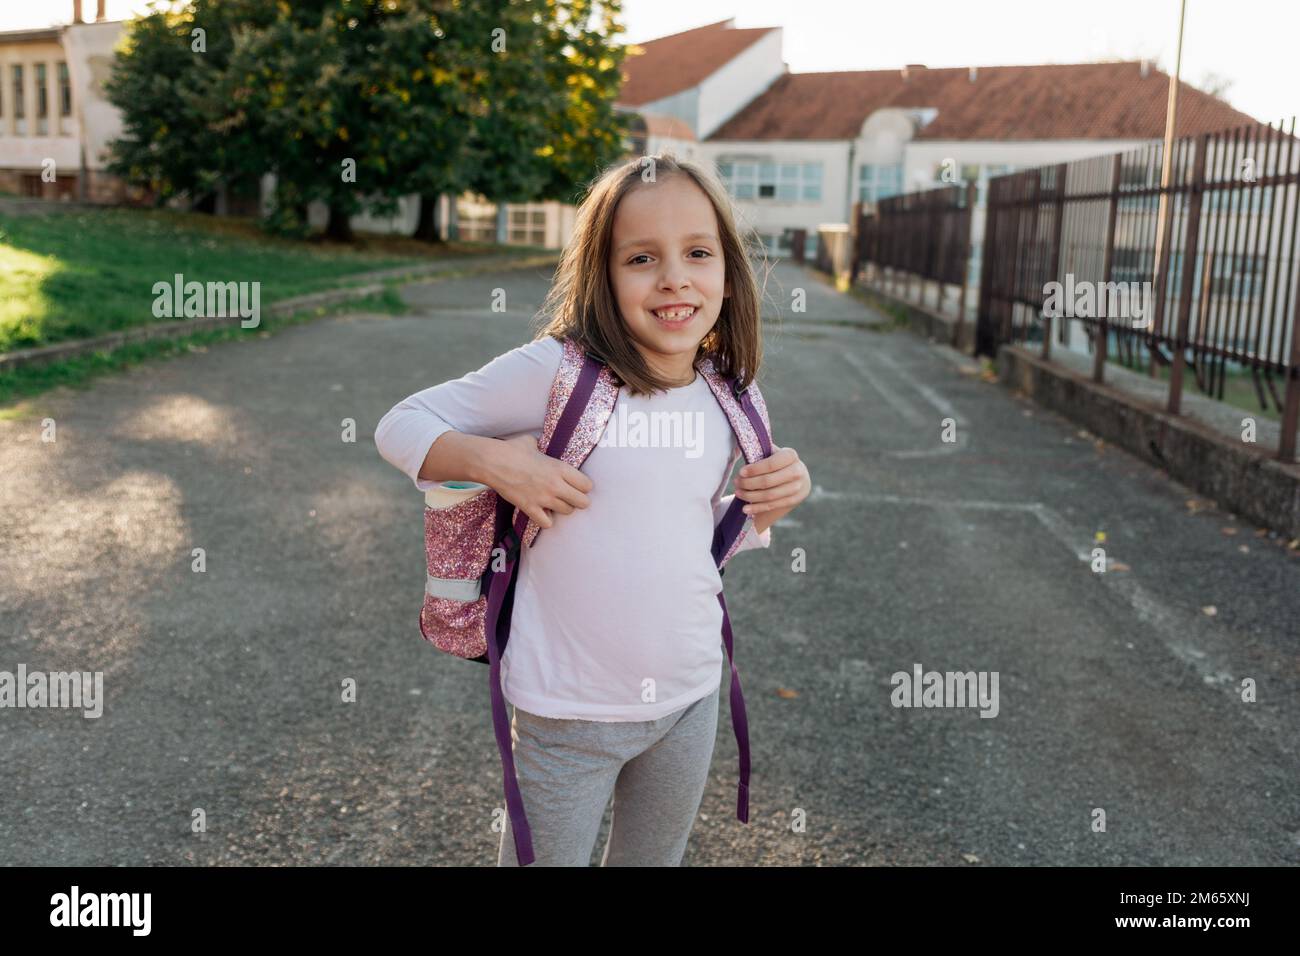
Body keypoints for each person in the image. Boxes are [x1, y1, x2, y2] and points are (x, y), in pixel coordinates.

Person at [374, 151, 811, 866]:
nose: (675, 277)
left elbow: (681, 530)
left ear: (728, 272)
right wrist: (496, 462)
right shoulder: (555, 374)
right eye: (642, 257)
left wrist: (763, 504)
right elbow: (400, 423)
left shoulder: (730, 391)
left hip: (689, 698)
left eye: (698, 252)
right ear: (602, 277)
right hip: (565, 710)